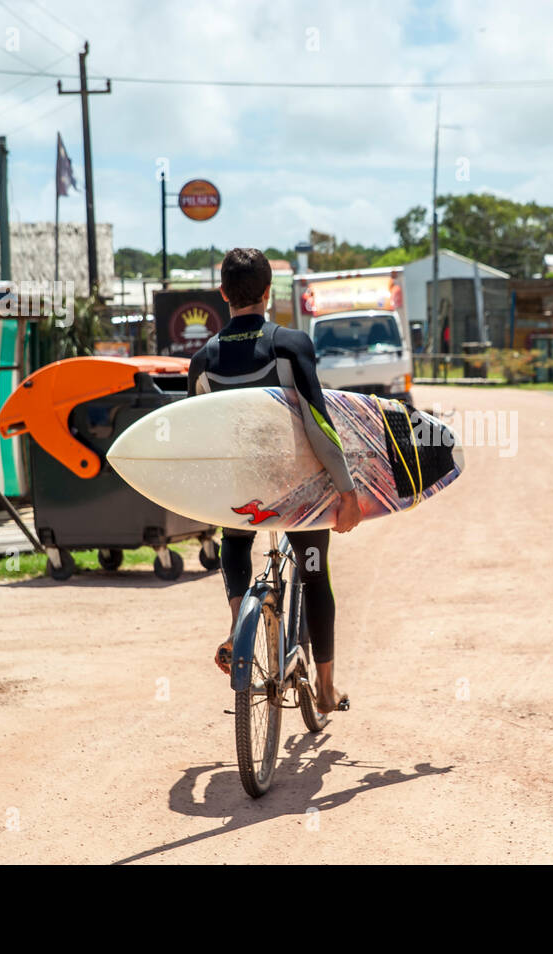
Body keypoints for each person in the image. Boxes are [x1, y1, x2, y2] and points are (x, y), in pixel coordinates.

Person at [187, 248, 361, 715]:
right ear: (267, 293)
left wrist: (204, 501)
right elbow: (318, 426)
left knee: (236, 540)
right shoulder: (291, 345)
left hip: (241, 494)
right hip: (297, 490)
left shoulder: (202, 361)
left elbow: (198, 440)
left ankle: (235, 625)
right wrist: (347, 492)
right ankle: (325, 689)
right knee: (313, 571)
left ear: (223, 294)